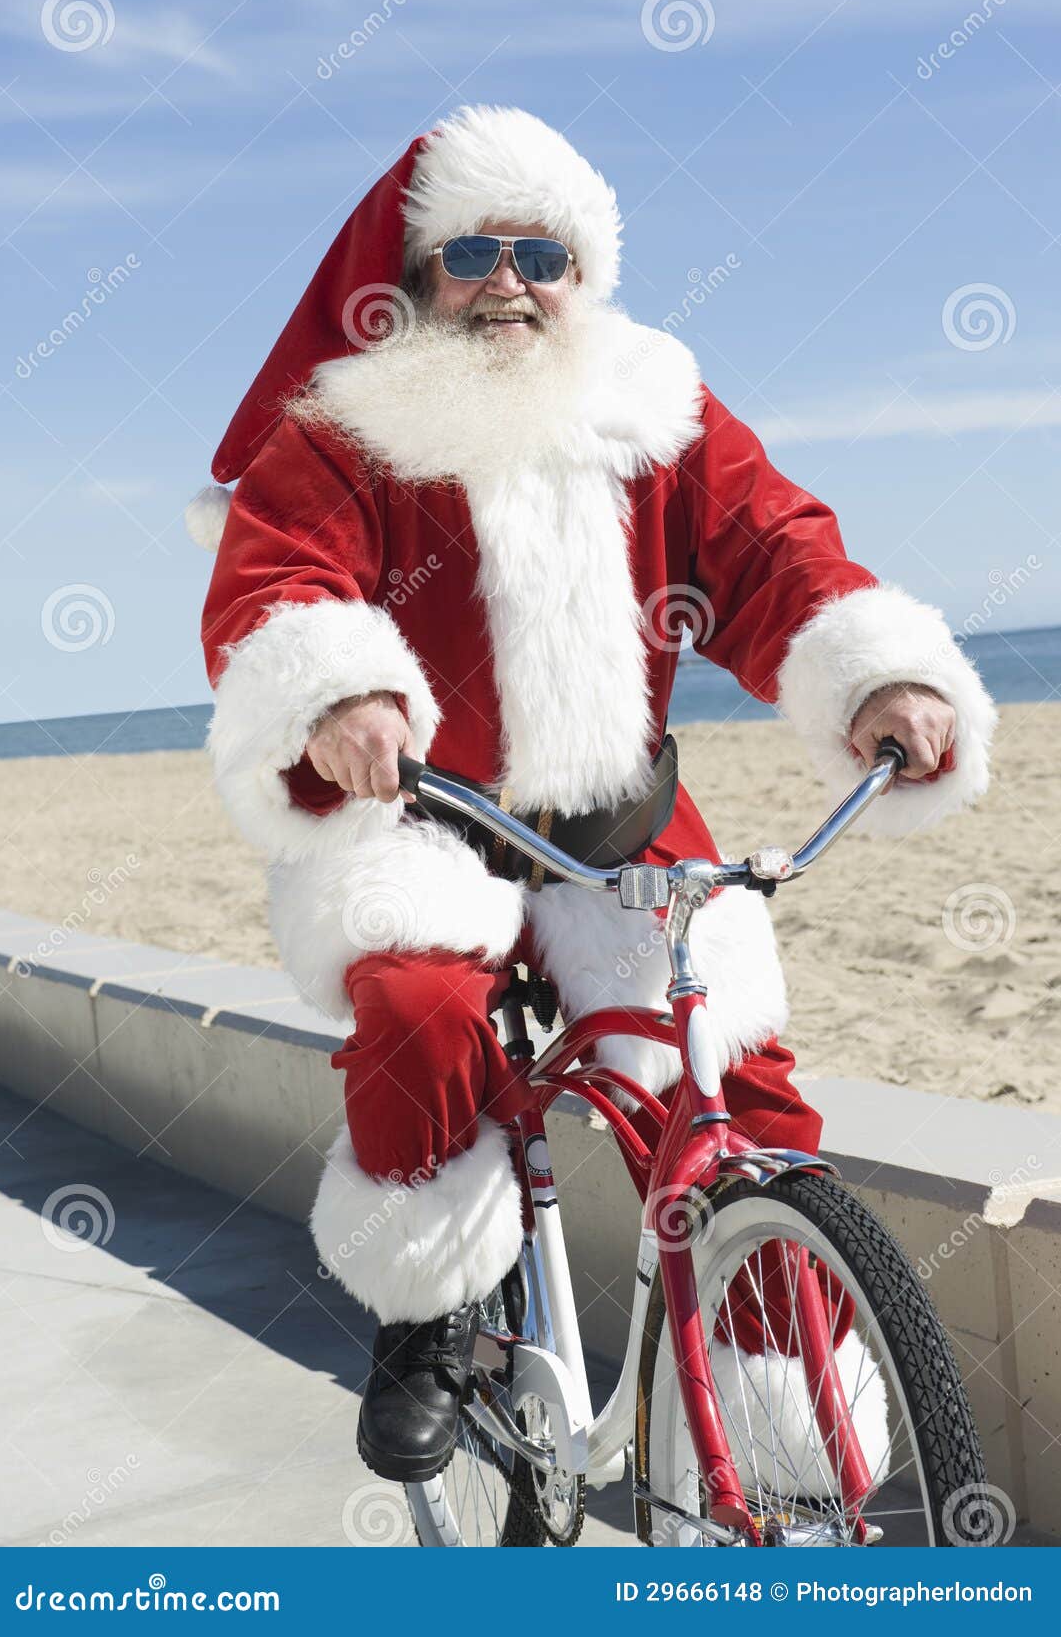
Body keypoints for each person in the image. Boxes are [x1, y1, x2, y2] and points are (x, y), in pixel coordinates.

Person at [190, 104, 996, 1486]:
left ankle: (783, 1406)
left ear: (586, 270)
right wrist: (337, 697)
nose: (508, 282)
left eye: (542, 254)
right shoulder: (345, 428)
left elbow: (771, 550)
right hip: (426, 822)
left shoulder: (654, 406)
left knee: (735, 1085)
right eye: (472, 254)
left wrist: (878, 676)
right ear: (416, 274)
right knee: (420, 1015)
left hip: (619, 819)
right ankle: (432, 1308)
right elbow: (278, 580)